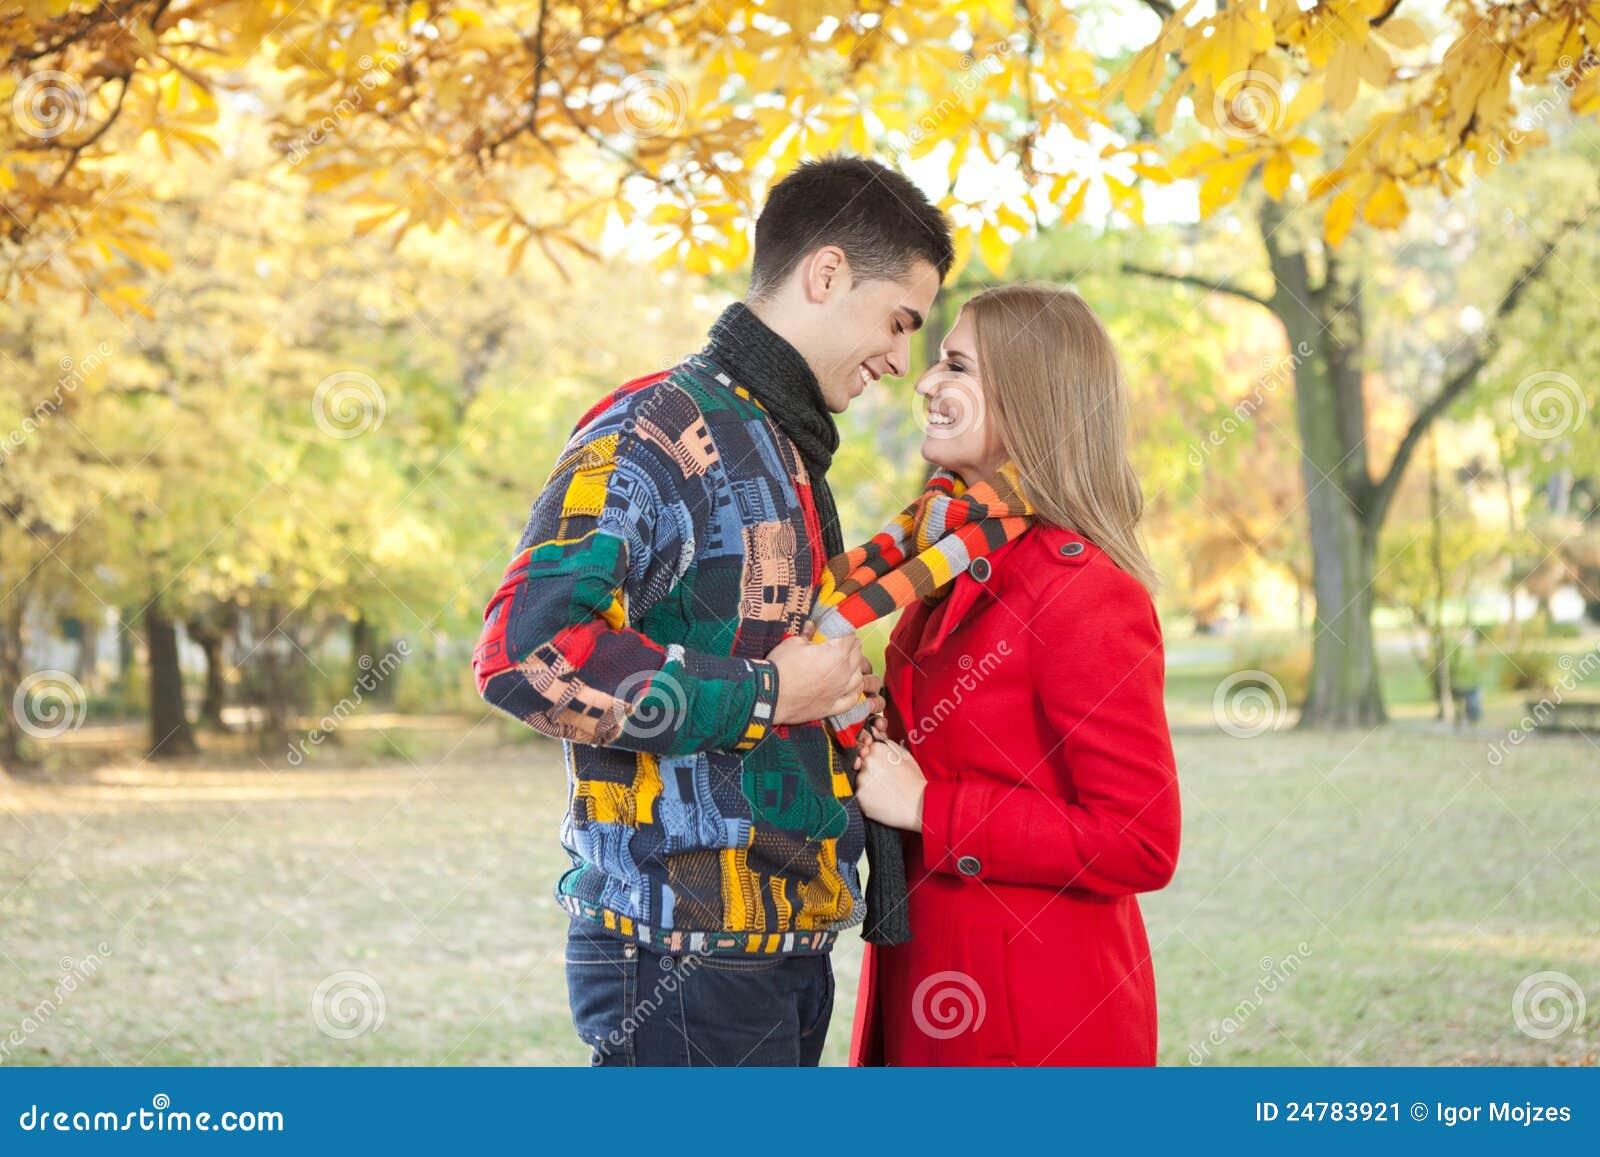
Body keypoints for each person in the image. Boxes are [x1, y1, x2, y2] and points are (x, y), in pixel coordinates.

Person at [471, 155, 954, 1066]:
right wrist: (769, 692)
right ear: (826, 274)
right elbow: (527, 655)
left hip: (777, 950)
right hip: (679, 959)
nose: (902, 358)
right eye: (900, 320)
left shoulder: (782, 443)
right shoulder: (653, 426)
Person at [844, 283, 1182, 1066]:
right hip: (922, 971)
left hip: (1033, 1017)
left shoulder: (1083, 589)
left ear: (1029, 397)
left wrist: (929, 806)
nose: (926, 381)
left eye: (956, 366)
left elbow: (1140, 839)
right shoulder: (951, 560)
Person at [1448, 626, 1485, 727]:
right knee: (1460, 707)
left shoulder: (1475, 649)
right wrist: (1455, 680)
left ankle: (1472, 727)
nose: (1468, 638)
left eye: (1470, 636)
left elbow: (1479, 666)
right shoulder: (1457, 649)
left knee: (1473, 707)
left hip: (1474, 683)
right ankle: (1458, 725)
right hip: (1461, 684)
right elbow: (1453, 666)